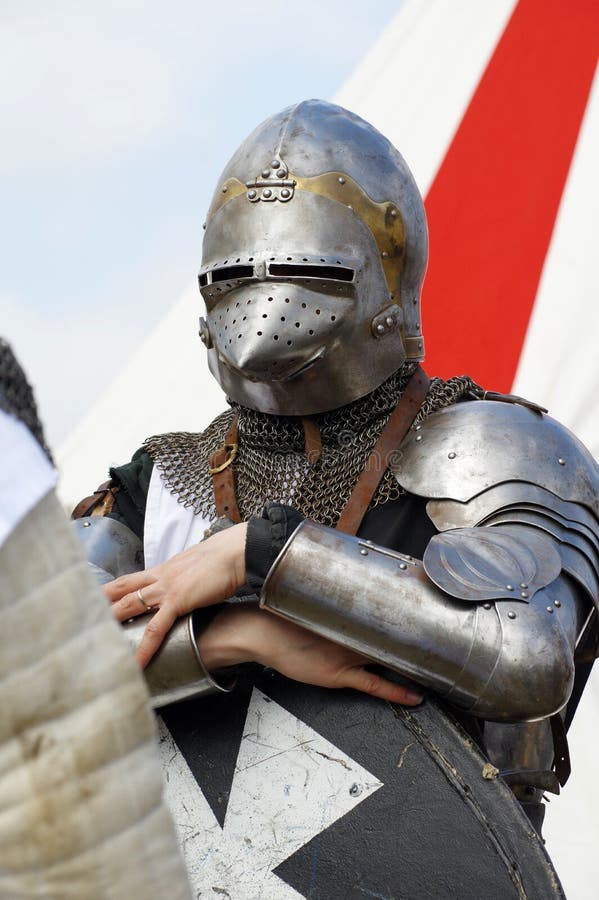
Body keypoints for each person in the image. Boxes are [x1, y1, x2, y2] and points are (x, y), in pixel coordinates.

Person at [75, 100, 598, 890]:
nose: (265, 304)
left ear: (388, 274)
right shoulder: (157, 487)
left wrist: (262, 553)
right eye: (232, 276)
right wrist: (238, 636)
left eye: (310, 273)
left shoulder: (490, 450)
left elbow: (522, 656)